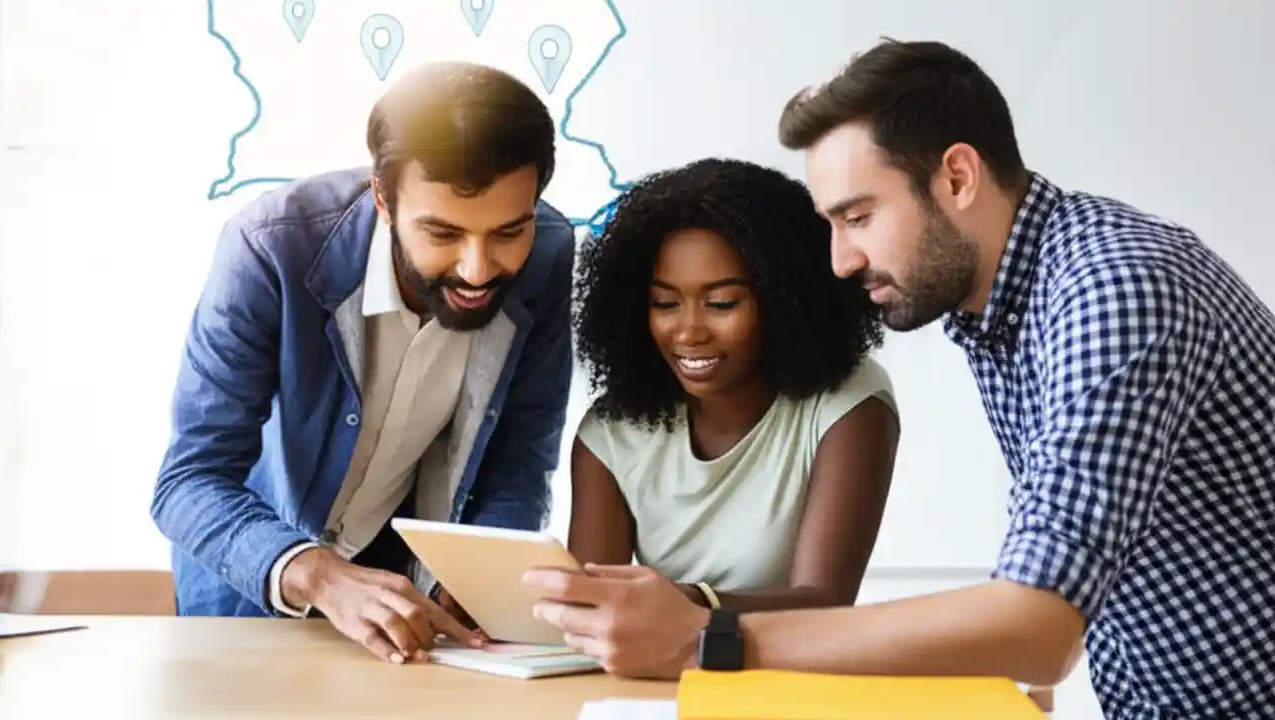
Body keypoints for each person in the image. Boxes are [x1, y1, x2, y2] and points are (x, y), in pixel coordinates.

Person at [524, 39, 1275, 719]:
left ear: (956, 176)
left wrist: (705, 637)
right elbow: (1043, 595)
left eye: (857, 217)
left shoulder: (1110, 291)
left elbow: (1038, 629)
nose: (840, 262)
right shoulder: (1006, 307)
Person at [152, 61, 575, 665]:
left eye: (510, 231)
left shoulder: (549, 255)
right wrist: (320, 576)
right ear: (383, 197)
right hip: (254, 596)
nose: (479, 269)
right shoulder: (269, 248)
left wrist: (479, 574)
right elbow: (188, 480)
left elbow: (519, 457)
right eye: (442, 233)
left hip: (407, 612)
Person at [567, 158, 899, 614]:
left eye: (721, 303)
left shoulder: (847, 404)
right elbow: (588, 612)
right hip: (648, 680)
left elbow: (824, 604)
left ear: (783, 301)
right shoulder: (610, 434)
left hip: (787, 677)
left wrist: (684, 605)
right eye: (665, 303)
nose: (688, 332)